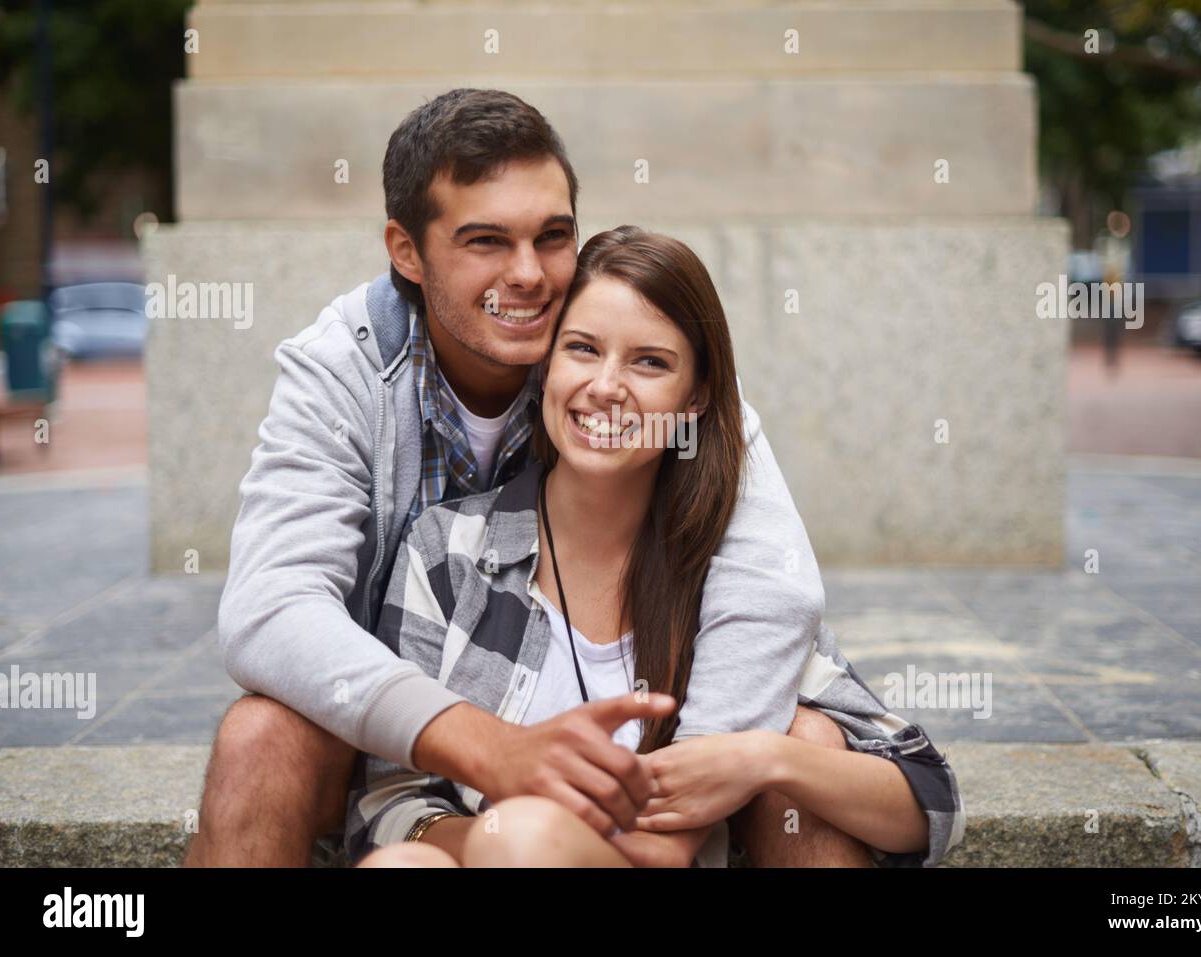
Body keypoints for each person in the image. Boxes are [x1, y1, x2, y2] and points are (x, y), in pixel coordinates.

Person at [187, 88, 835, 866]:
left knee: (806, 743)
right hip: (374, 744)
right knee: (258, 734)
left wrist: (681, 799)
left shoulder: (605, 360)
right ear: (406, 250)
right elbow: (269, 608)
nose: (528, 275)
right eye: (486, 240)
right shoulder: (341, 370)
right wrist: (490, 747)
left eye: (552, 236)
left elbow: (775, 583)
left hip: (611, 788)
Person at [348, 227, 965, 868]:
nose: (606, 387)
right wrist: (505, 841)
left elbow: (932, 802)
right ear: (546, 365)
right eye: (582, 349)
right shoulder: (448, 552)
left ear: (694, 397)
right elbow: (390, 799)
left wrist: (760, 756)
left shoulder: (731, 573)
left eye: (650, 363)